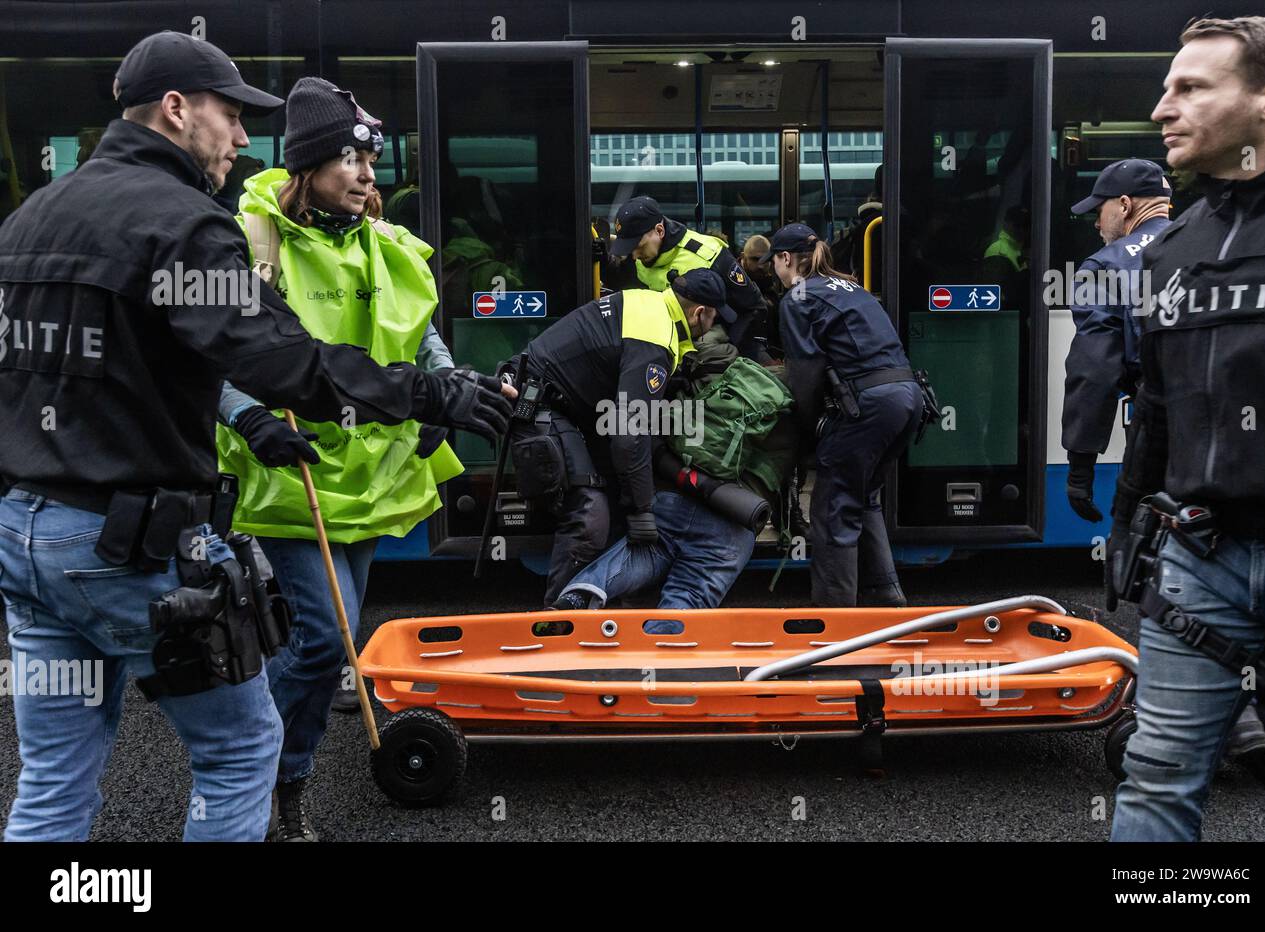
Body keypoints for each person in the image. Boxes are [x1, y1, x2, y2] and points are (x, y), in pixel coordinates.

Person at [0, 31, 512, 842]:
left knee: (55, 780)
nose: (242, 139)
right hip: (129, 542)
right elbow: (283, 361)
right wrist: (429, 395)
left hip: (26, 536)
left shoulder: (31, 218)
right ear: (177, 109)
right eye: (231, 116)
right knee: (241, 751)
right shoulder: (183, 222)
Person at [213, 77, 464, 840]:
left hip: (369, 480)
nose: (365, 174)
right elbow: (215, 349)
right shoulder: (254, 241)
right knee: (326, 640)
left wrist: (445, 392)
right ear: (310, 167)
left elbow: (421, 337)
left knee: (339, 646)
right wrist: (248, 414)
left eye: (371, 160)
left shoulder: (389, 244)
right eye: (351, 159)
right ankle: (257, 769)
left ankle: (277, 781)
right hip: (292, 478)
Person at [1108, 15, 1265, 841]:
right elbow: (1157, 407)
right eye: (1165, 87)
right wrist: (1125, 525)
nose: (1162, 108)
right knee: (1155, 783)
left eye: (1189, 88)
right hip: (1203, 555)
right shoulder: (1170, 251)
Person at [504, 269, 726, 604]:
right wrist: (642, 510)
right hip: (539, 404)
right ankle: (560, 624)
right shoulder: (656, 338)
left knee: (619, 493)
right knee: (590, 513)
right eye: (715, 318)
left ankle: (612, 609)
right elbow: (629, 434)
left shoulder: (651, 303)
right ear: (699, 313)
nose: (714, 326)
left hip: (568, 403)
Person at [553, 324, 797, 614]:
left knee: (637, 556)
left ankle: (581, 595)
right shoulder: (785, 410)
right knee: (688, 597)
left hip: (675, 498)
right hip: (735, 521)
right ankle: (668, 638)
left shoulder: (698, 384)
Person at [763, 223, 923, 607]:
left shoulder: (798, 298)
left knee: (833, 508)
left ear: (786, 260)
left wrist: (805, 432)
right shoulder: (853, 287)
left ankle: (834, 622)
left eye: (774, 264)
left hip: (868, 406)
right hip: (908, 399)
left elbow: (806, 373)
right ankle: (885, 595)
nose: (774, 271)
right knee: (863, 496)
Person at [1061, 159, 1173, 522]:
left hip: (1158, 429)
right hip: (1225, 434)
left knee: (1140, 538)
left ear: (1125, 205)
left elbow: (1094, 370)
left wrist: (1080, 468)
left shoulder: (1106, 266)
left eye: (1100, 209)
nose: (1096, 222)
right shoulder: (1206, 245)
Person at [609, 195, 770, 361]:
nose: (635, 256)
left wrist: (741, 353)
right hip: (659, 342)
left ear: (659, 230)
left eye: (639, 247)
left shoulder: (708, 255)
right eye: (630, 249)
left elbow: (753, 307)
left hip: (706, 347)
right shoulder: (639, 256)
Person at [740, 234, 785, 359]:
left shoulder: (771, 288)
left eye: (765, 260)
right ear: (743, 257)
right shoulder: (733, 286)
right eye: (755, 259)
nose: (760, 265)